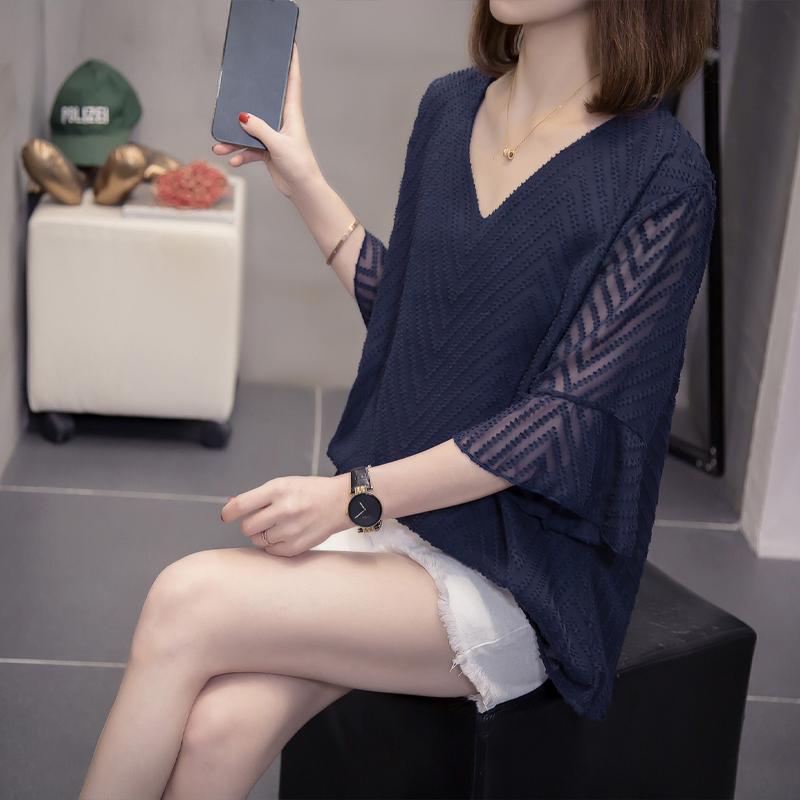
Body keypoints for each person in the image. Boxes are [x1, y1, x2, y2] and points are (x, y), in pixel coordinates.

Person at [79, 0, 716, 797]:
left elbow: (564, 425)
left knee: (186, 600)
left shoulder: (665, 178)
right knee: (219, 729)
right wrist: (304, 180)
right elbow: (414, 323)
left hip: (528, 568)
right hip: (414, 510)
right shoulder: (451, 107)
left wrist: (353, 497)